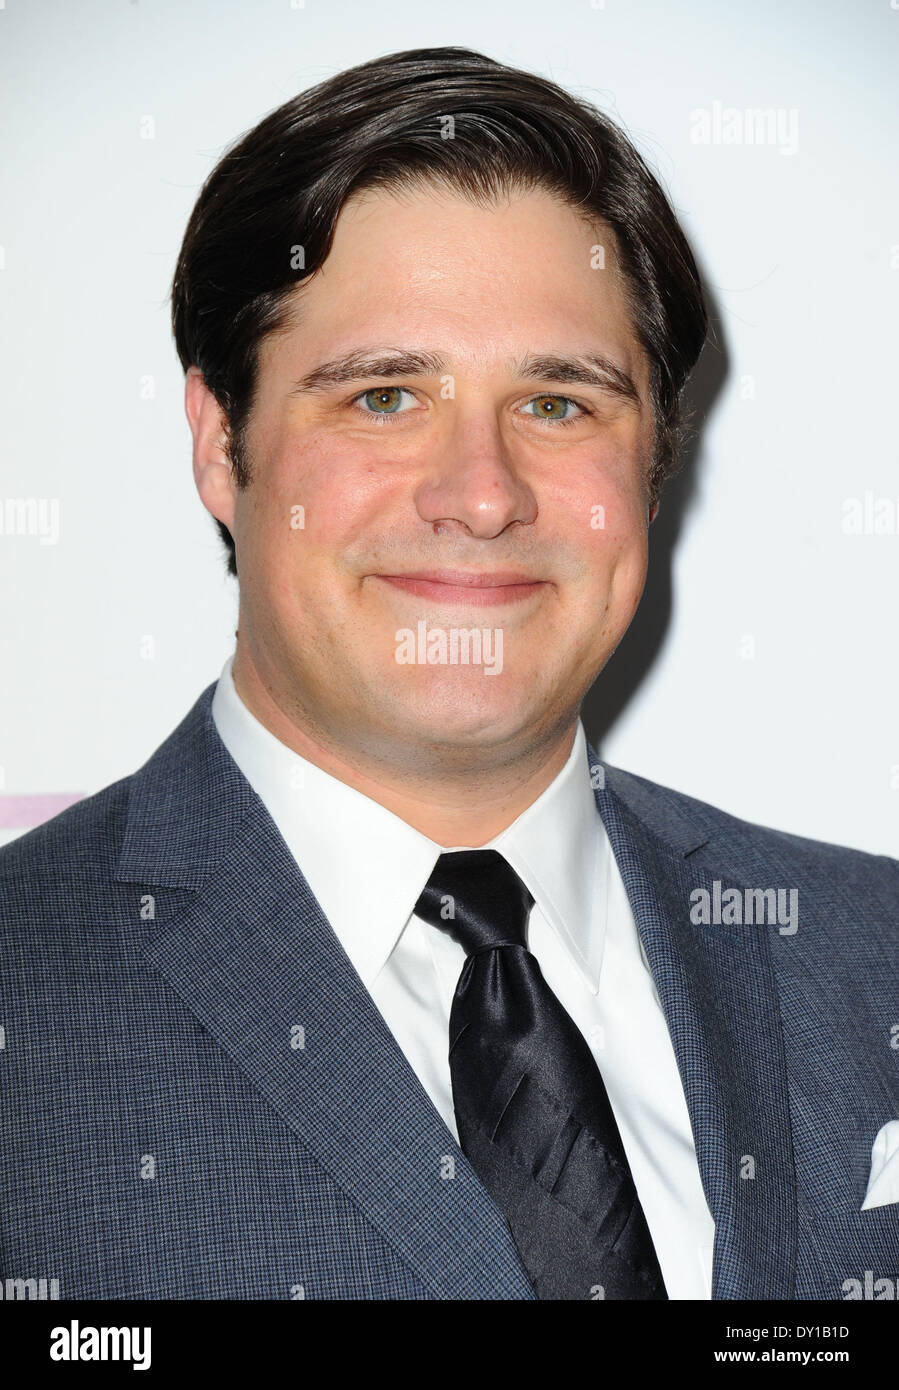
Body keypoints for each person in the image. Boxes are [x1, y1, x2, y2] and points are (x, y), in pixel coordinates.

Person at [1, 46, 896, 1302]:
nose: (479, 494)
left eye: (557, 405)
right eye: (380, 397)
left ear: (651, 465)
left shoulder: (874, 951)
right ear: (219, 444)